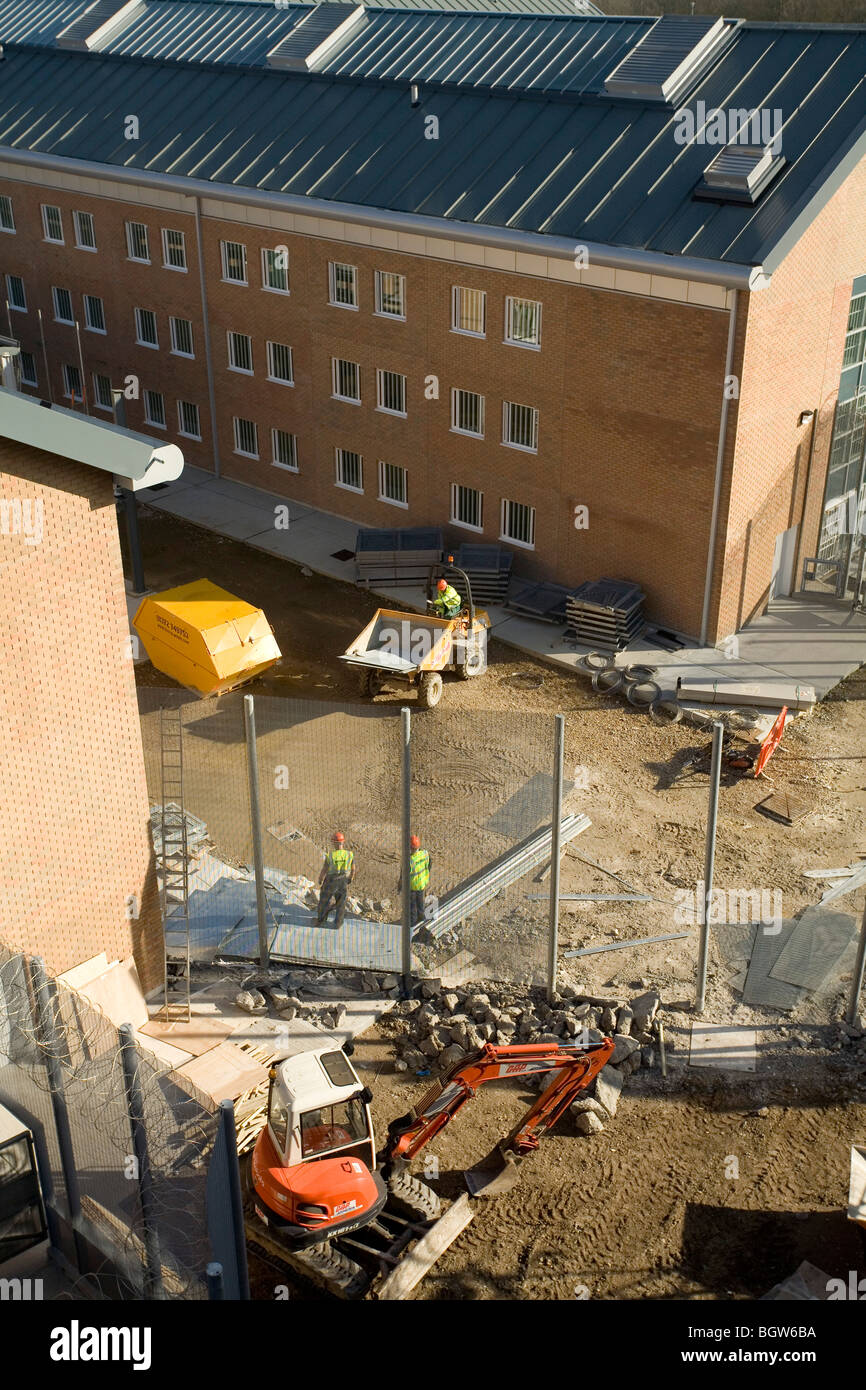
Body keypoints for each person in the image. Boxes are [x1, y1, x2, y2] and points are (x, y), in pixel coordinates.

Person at [315, 831, 355, 929]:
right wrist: (351, 878)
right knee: (341, 902)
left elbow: (325, 869)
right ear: (343, 842)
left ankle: (321, 920)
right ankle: (338, 923)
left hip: (331, 881)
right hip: (343, 880)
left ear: (334, 842)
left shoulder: (330, 856)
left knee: (324, 900)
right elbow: (353, 869)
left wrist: (320, 879)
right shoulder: (349, 854)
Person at [398, 834, 431, 927]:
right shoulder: (424, 854)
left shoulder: (409, 860)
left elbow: (403, 875)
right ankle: (422, 919)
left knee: (412, 906)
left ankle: (412, 925)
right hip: (421, 884)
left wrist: (400, 885)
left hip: (412, 886)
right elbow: (429, 865)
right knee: (420, 903)